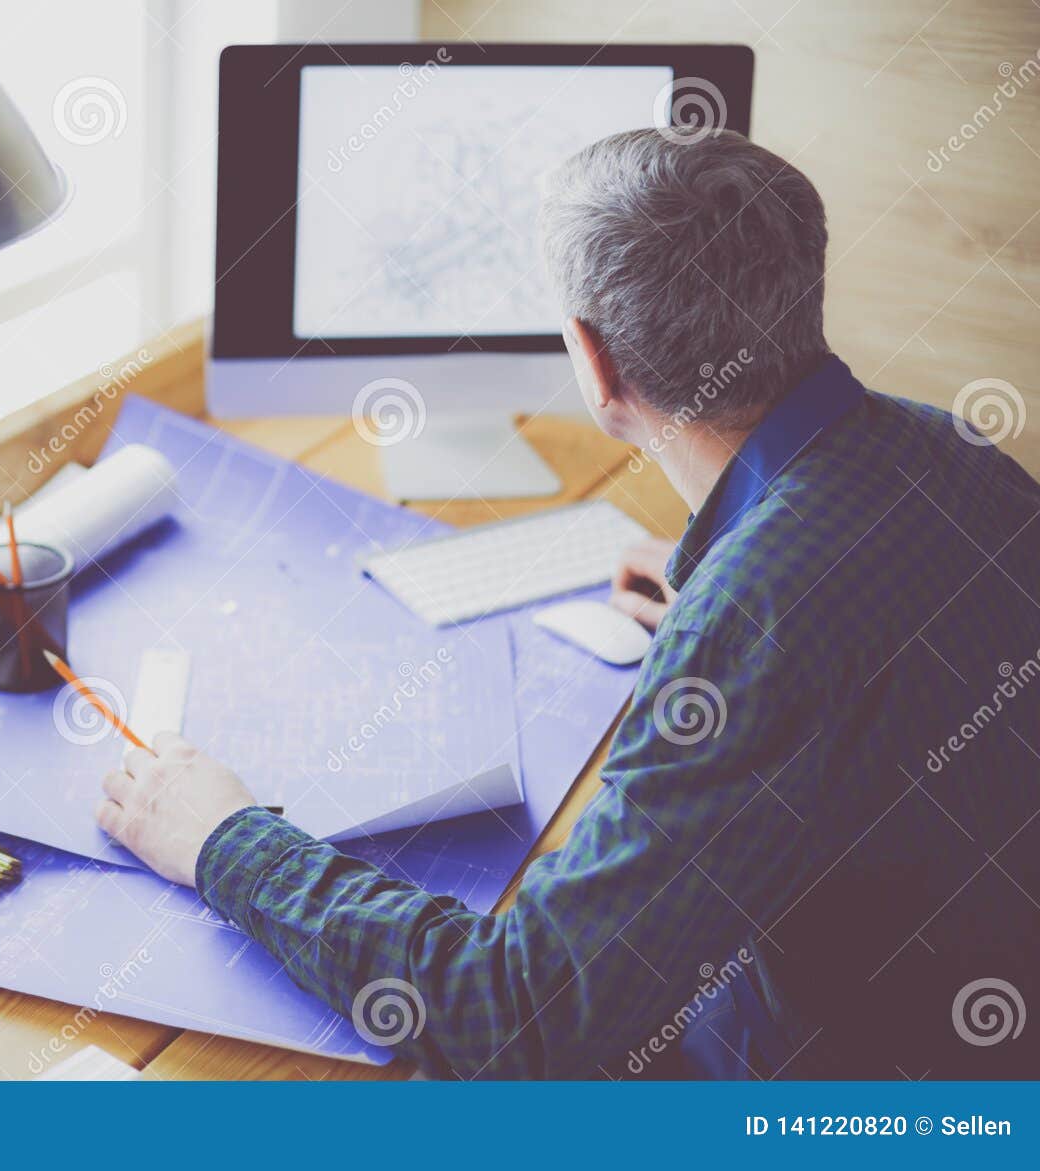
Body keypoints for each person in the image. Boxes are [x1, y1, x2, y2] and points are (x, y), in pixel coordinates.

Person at [94, 129, 1040, 1078]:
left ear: (594, 363)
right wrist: (729, 596)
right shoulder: (956, 449)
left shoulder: (758, 620)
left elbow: (523, 1020)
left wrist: (225, 840)